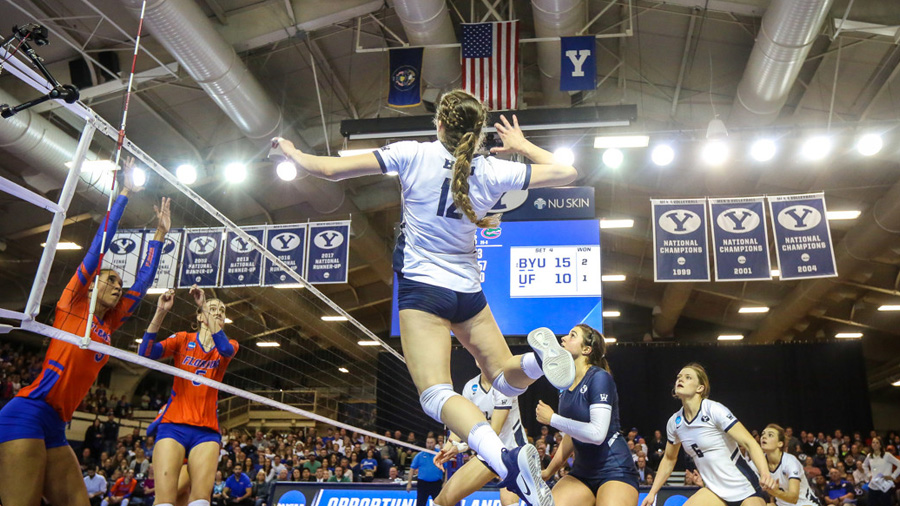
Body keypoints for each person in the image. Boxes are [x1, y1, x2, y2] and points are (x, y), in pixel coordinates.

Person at [275, 89, 578, 506]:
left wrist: (291, 150)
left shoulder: (411, 154)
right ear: (478, 130)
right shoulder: (493, 170)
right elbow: (568, 173)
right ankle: (537, 360)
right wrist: (523, 146)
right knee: (504, 377)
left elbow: (329, 170)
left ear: (439, 124)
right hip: (468, 291)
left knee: (436, 393)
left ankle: (506, 462)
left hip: (423, 290)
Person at [0, 160, 169, 506]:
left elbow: (145, 281)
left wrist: (160, 235)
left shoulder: (108, 325)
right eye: (111, 281)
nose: (119, 287)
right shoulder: (72, 303)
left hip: (57, 423)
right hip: (28, 412)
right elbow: (98, 248)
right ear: (92, 287)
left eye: (119, 284)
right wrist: (124, 193)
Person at [138, 285, 239, 506]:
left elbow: (224, 349)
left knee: (201, 502)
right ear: (200, 317)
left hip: (206, 430)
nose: (219, 312)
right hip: (174, 425)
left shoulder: (230, 345)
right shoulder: (183, 339)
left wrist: (204, 305)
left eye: (222, 310)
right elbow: (144, 352)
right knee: (165, 501)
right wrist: (161, 311)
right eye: (214, 308)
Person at [641, 363, 776, 506]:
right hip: (715, 492)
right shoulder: (675, 422)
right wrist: (652, 493)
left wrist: (765, 473)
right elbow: (669, 459)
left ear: (700, 388)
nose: (680, 380)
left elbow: (749, 443)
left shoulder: (714, 410)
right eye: (679, 377)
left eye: (688, 377)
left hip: (744, 488)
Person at [535, 325, 640, 506]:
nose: (564, 339)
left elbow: (597, 434)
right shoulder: (565, 386)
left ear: (586, 349)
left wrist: (553, 419)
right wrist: (548, 472)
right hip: (582, 473)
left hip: (614, 469)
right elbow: (571, 436)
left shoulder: (599, 378)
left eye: (572, 335)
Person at [432, 372, 527, 506]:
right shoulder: (471, 387)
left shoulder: (504, 385)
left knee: (508, 502)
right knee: (442, 500)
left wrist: (461, 447)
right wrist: (447, 448)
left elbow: (494, 431)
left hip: (512, 452)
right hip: (487, 452)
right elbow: (462, 422)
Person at [753, 424, 819, 506]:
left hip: (804, 503)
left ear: (780, 443)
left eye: (770, 435)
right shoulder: (758, 461)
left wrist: (776, 492)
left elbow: (794, 498)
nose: (764, 437)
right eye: (763, 434)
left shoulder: (790, 461)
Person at [406, 438, 446, 506]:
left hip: (436, 484)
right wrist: (409, 483)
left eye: (431, 443)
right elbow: (412, 468)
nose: (429, 445)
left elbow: (446, 468)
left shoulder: (439, 455)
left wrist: (445, 481)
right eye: (428, 443)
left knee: (439, 504)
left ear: (435, 443)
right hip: (423, 484)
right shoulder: (420, 455)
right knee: (420, 504)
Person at [863, 436, 900, 506]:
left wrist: (893, 476)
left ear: (880, 445)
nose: (875, 444)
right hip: (873, 486)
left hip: (884, 486)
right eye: (873, 442)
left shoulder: (887, 455)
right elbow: (864, 465)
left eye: (877, 442)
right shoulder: (869, 456)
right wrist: (869, 475)